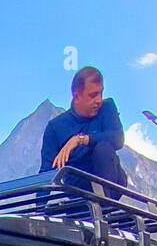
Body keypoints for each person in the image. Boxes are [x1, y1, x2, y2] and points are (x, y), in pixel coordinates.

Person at [40, 66, 127, 194]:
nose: (98, 100)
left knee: (103, 148)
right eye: (93, 95)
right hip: (79, 188)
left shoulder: (107, 107)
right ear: (77, 96)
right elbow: (47, 171)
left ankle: (105, 205)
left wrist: (80, 139)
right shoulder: (55, 127)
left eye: (100, 93)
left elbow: (118, 139)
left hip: (112, 180)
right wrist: (40, 208)